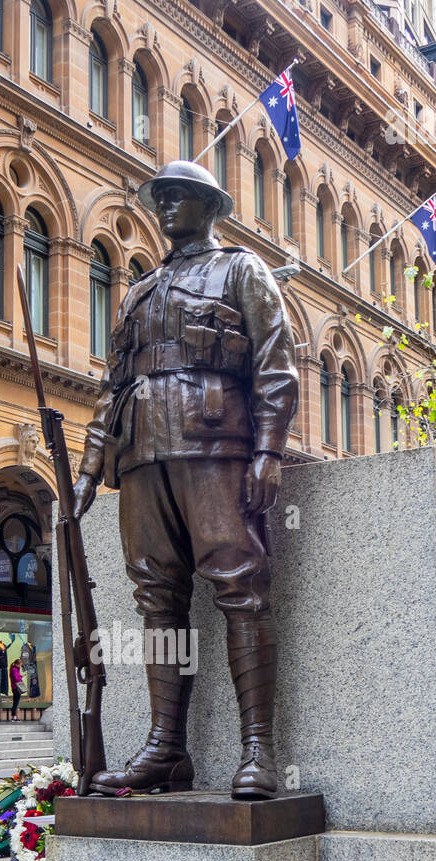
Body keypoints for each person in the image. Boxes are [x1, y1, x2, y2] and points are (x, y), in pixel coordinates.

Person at [72, 160, 298, 799]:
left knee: (241, 586)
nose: (166, 207)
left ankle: (258, 748)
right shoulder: (140, 290)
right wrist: (90, 469)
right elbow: (112, 385)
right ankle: (166, 749)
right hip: (144, 452)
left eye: (180, 197)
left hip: (215, 443)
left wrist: (268, 451)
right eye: (161, 198)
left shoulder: (241, 270)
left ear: (208, 206)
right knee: (157, 598)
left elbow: (276, 366)